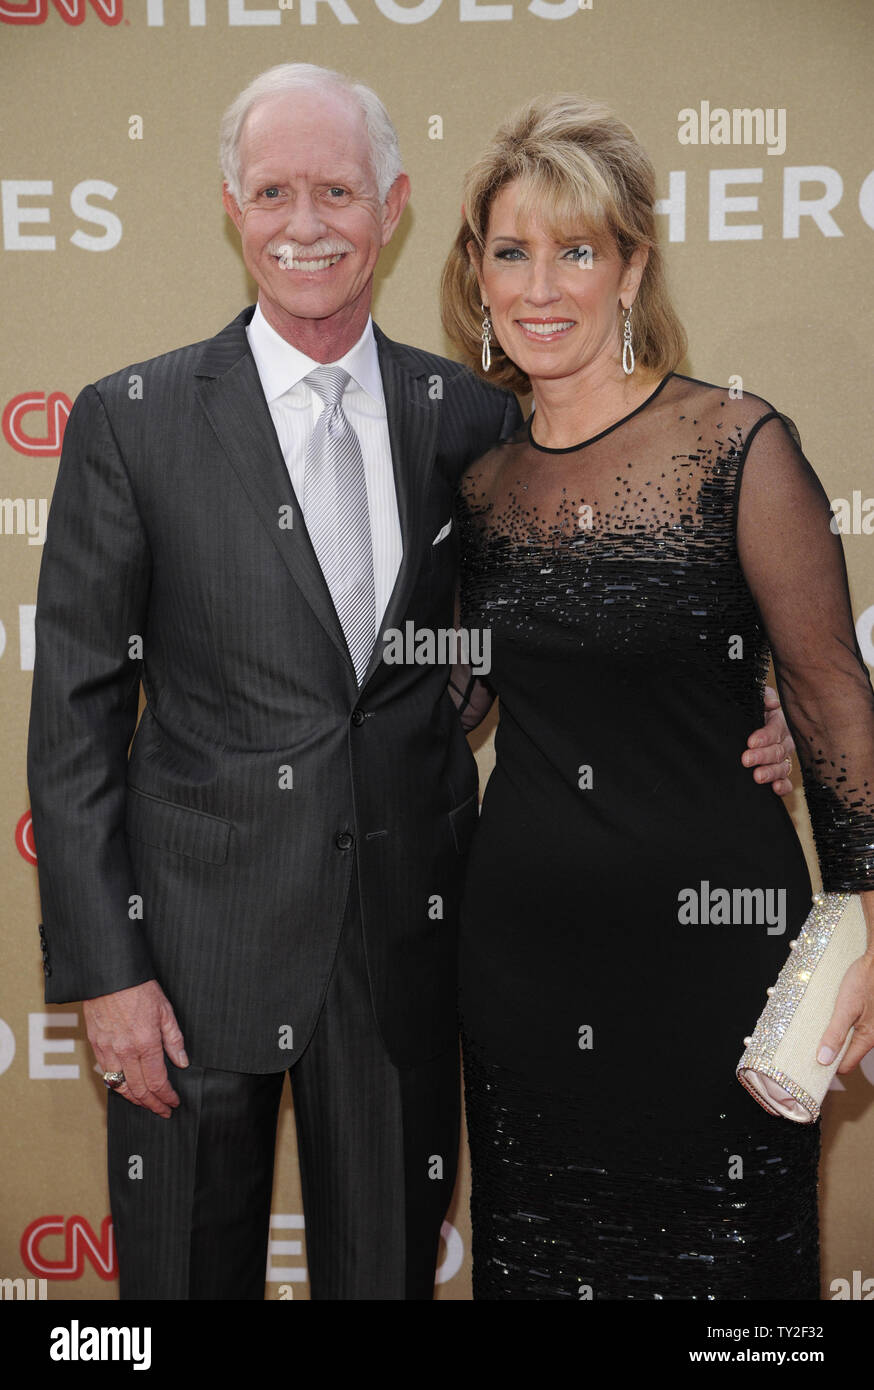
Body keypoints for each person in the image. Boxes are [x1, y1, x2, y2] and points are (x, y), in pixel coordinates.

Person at [26, 66, 793, 1302]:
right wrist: (107, 973)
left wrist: (745, 712)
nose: (305, 222)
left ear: (390, 207)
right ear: (231, 205)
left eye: (336, 189)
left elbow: (522, 644)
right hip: (191, 961)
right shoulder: (135, 420)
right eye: (273, 190)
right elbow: (72, 719)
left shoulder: (473, 421)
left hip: (408, 949)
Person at [441, 93, 874, 1301]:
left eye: (576, 251)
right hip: (523, 961)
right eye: (512, 252)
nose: (540, 286)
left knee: (731, 1276)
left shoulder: (735, 444)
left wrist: (866, 916)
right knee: (543, 1262)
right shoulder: (475, 483)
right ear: (476, 274)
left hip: (714, 953)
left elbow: (833, 692)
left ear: (630, 268)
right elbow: (462, 700)